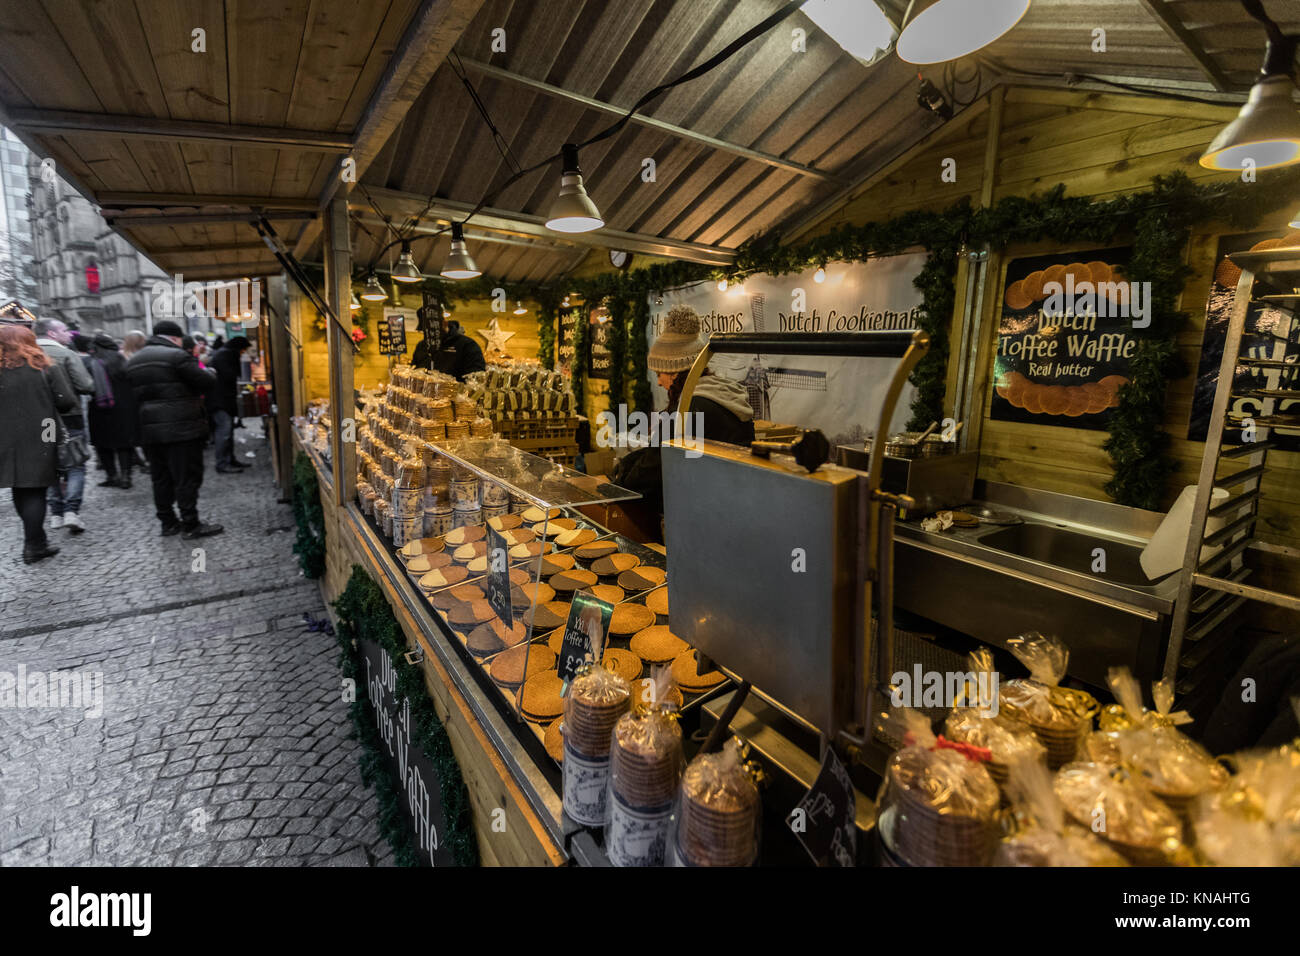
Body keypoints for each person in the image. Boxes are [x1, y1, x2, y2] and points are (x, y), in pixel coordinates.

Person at [611, 305, 755, 529]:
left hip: (705, 519)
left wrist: (621, 483)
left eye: (660, 374)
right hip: (733, 508)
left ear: (676, 371)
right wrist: (629, 463)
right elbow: (658, 452)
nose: (659, 382)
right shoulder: (717, 395)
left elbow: (656, 467)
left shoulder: (691, 407)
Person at [125, 320, 223, 538]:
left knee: (161, 478)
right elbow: (205, 381)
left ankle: (168, 523)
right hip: (182, 429)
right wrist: (211, 372)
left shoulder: (134, 361)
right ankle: (191, 524)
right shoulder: (177, 356)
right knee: (186, 476)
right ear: (176, 338)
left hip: (150, 431)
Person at [1, 325, 77, 563]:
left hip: (4, 437)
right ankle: (33, 545)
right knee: (36, 489)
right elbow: (66, 402)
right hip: (44, 432)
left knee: (20, 487)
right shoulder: (44, 366)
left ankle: (38, 540)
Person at [34, 318, 94, 533]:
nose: (69, 334)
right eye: (64, 330)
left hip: (43, 420)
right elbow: (86, 385)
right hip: (69, 416)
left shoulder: (23, 355)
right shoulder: (67, 354)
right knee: (75, 462)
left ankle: (56, 513)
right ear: (51, 334)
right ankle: (71, 510)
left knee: (50, 463)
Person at [87, 332, 139, 488]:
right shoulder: (121, 359)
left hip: (100, 408)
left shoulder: (93, 362)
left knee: (103, 444)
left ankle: (112, 476)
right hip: (124, 407)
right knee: (124, 443)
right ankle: (126, 477)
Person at [209, 335, 251, 473]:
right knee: (224, 432)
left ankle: (229, 460)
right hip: (221, 401)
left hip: (222, 399)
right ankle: (222, 463)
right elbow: (230, 375)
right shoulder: (225, 356)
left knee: (228, 432)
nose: (243, 353)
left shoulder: (224, 354)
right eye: (243, 350)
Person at [121, 331, 151, 474]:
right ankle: (146, 460)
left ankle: (141, 459)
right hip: (141, 398)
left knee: (135, 431)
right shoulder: (144, 357)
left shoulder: (121, 357)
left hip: (128, 400)